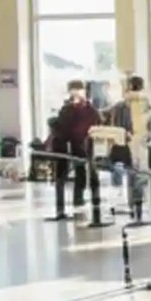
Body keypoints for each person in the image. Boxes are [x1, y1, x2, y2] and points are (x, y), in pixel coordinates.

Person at [53, 79, 101, 207]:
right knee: (69, 174)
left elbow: (97, 124)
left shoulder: (90, 109)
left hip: (86, 145)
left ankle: (89, 199)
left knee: (90, 174)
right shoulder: (67, 109)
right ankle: (68, 202)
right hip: (68, 146)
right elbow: (61, 127)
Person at [107, 75, 151, 205]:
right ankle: (138, 201)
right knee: (140, 172)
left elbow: (115, 124)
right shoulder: (147, 104)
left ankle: (131, 201)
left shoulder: (120, 106)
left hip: (125, 140)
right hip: (141, 142)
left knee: (130, 171)